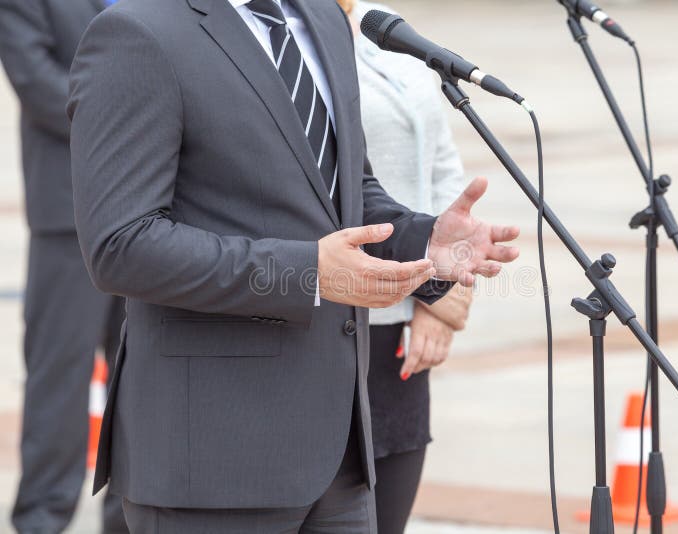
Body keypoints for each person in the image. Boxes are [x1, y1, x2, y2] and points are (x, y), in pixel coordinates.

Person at [68, 0, 519, 531]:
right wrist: (307, 271)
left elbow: (347, 191)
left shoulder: (326, 19)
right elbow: (121, 245)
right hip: (213, 465)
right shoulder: (137, 33)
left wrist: (422, 237)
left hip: (341, 460)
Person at [338, 1, 473, 531]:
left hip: (404, 330)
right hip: (333, 314)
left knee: (387, 515)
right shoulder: (276, 33)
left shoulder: (383, 23)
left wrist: (441, 300)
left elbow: (445, 170)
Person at [0, 1, 127, 533]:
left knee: (143, 372)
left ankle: (131, 516)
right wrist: (136, 123)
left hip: (152, 209)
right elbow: (36, 80)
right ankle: (41, 518)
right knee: (59, 376)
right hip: (67, 212)